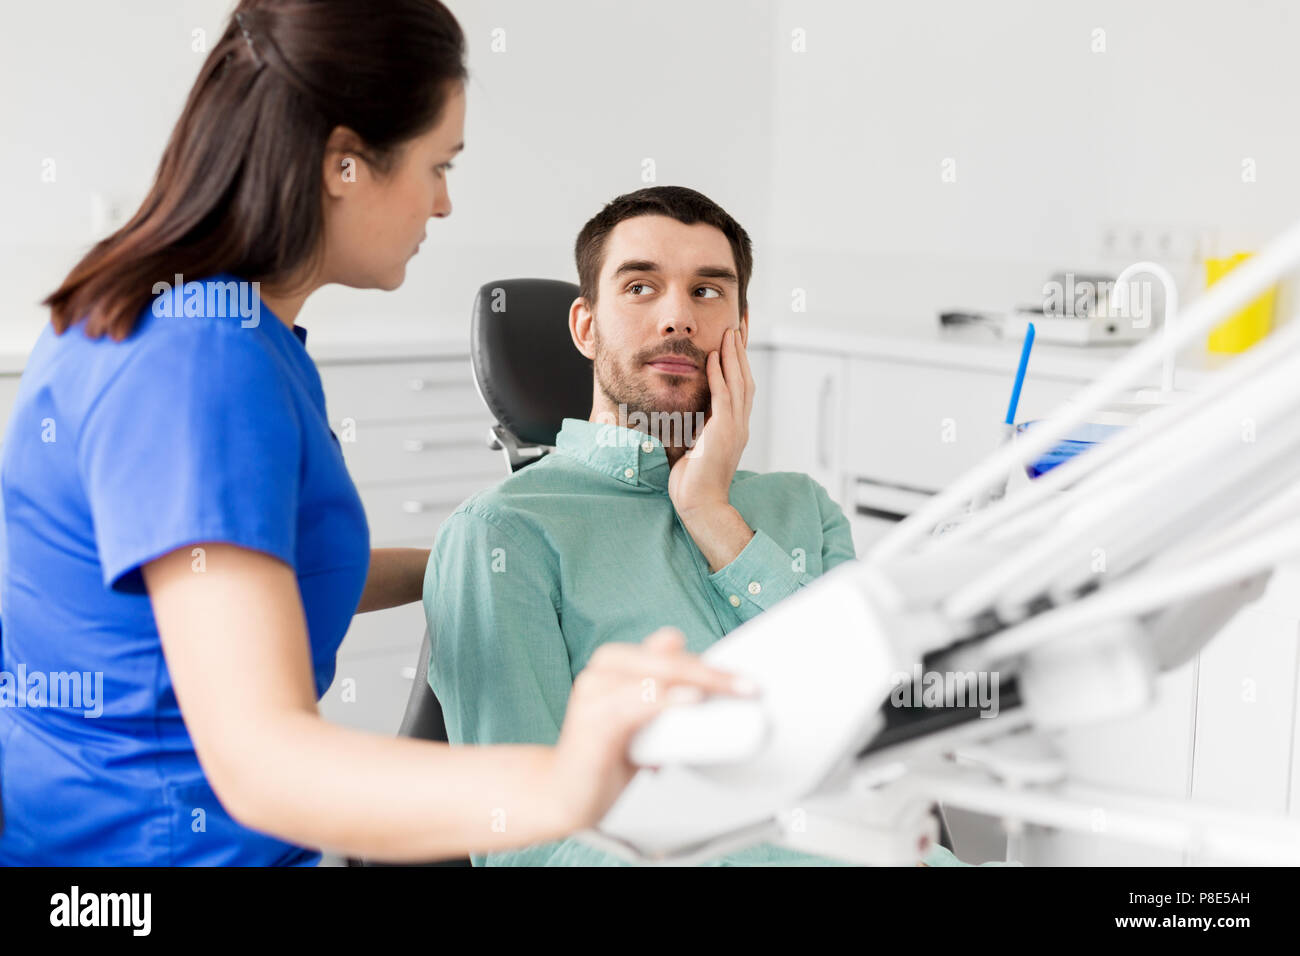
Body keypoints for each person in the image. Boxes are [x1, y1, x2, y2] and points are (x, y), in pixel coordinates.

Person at [0, 0, 744, 866]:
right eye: (437, 165)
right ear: (343, 164)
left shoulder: (214, 327)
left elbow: (246, 579)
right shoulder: (200, 368)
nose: (444, 203)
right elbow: (264, 765)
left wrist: (498, 557)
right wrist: (563, 782)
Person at [424, 186, 975, 865]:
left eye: (708, 292)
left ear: (740, 328)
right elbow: (525, 851)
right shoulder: (503, 535)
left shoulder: (804, 508)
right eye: (641, 287)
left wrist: (713, 516)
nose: (677, 317)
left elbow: (877, 728)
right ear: (586, 325)